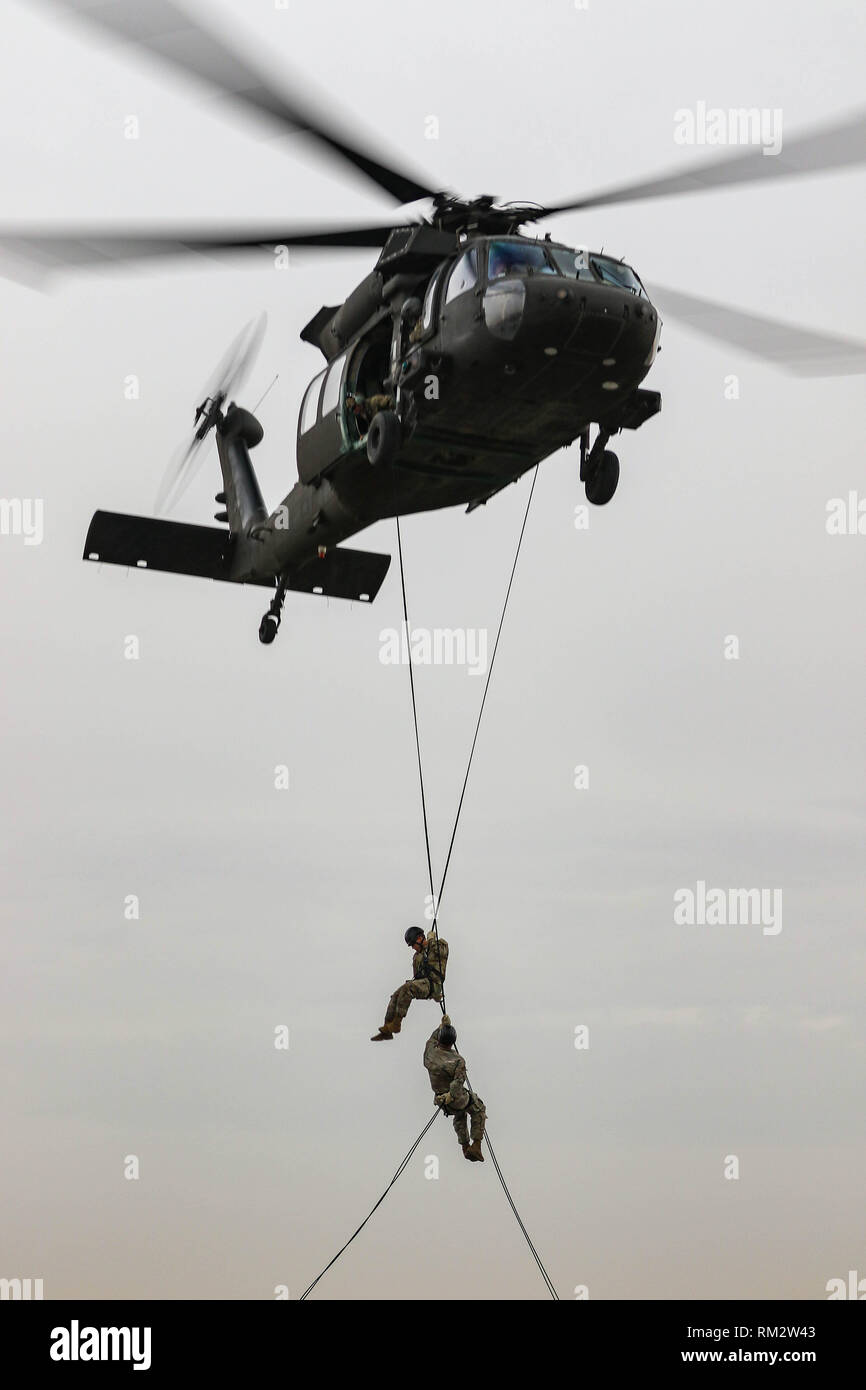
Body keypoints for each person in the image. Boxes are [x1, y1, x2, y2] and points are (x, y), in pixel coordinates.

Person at [423, 1015, 486, 1162]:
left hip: (440, 1100)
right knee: (478, 1107)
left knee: (460, 1113)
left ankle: (465, 1148)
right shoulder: (458, 1060)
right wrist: (451, 1095)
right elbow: (458, 1082)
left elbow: (431, 1040)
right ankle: (476, 1145)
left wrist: (441, 1026)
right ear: (453, 1042)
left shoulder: (429, 1054)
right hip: (453, 1098)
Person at [370, 926, 448, 1041]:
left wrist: (431, 940)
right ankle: (388, 1028)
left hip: (433, 984)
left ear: (421, 938)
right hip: (423, 984)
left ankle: (397, 1023)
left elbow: (442, 953)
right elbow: (417, 977)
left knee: (407, 988)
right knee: (397, 993)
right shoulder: (417, 956)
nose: (413, 948)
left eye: (413, 944)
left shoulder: (439, 945)